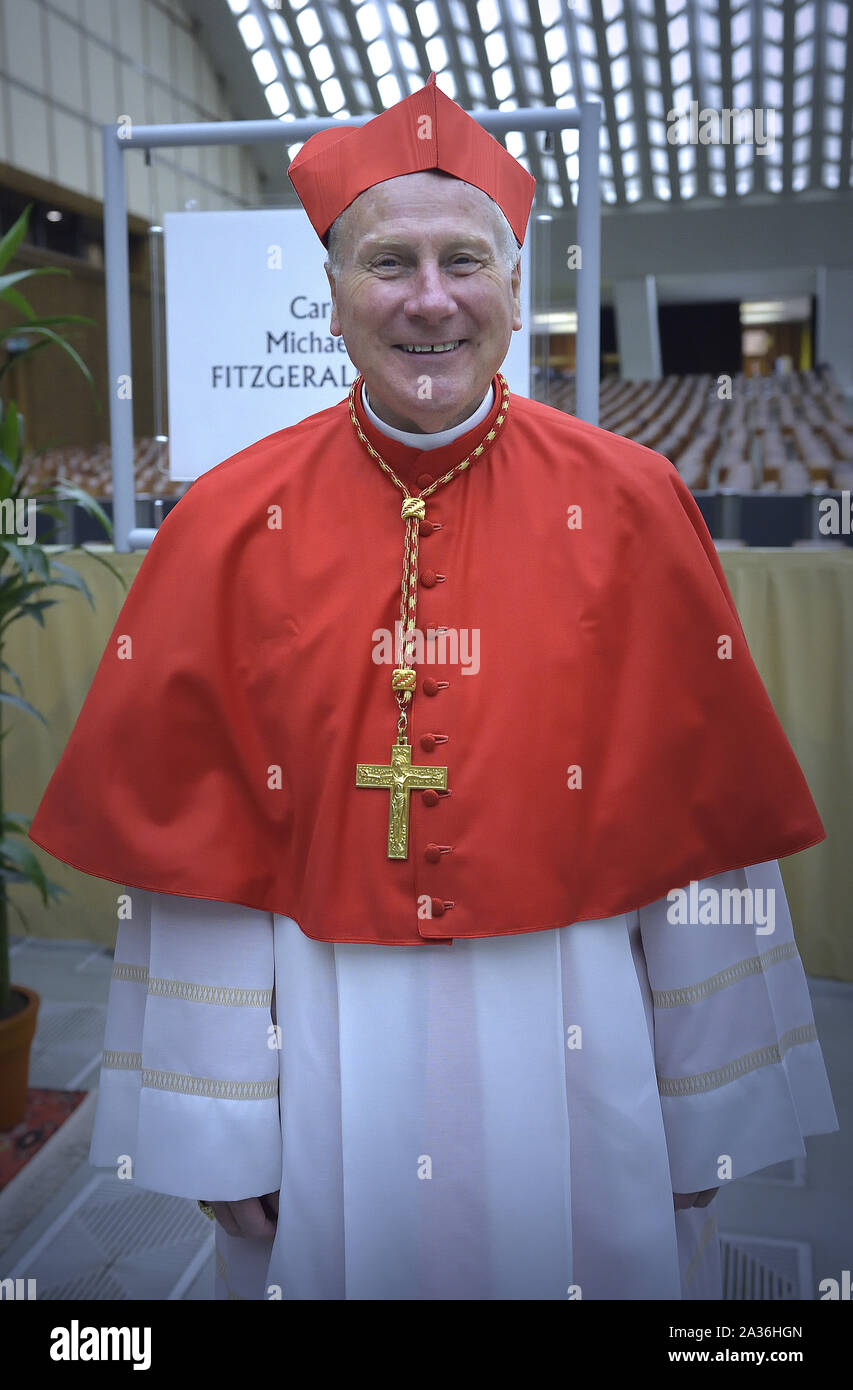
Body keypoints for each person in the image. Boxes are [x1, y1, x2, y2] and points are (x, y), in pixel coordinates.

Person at [29, 74, 837, 1300]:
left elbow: (702, 836)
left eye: (465, 260)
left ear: (516, 288)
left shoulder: (630, 503)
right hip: (323, 1036)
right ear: (334, 295)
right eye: (386, 261)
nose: (428, 298)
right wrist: (217, 1119)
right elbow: (192, 853)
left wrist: (708, 1101)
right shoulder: (229, 522)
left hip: (583, 1035)